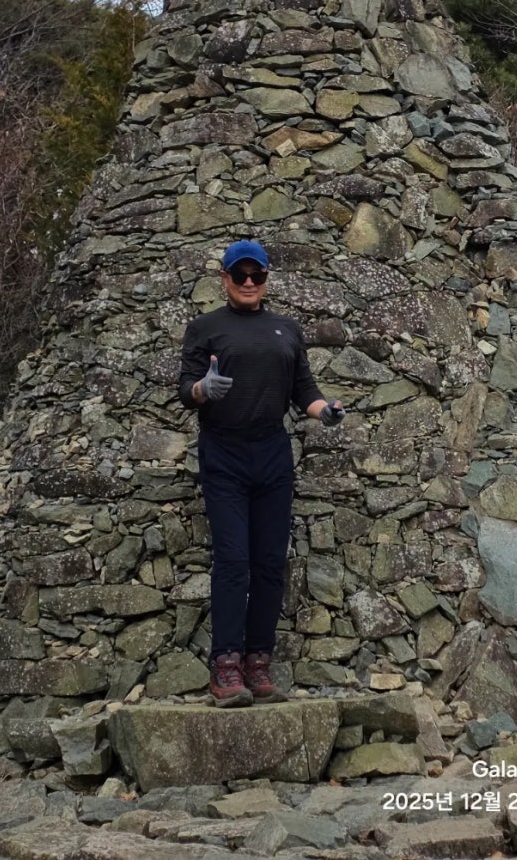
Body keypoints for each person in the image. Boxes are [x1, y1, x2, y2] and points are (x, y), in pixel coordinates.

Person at [178, 239, 345, 708]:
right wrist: (202, 389)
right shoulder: (205, 327)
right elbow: (183, 390)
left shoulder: (286, 329)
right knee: (234, 560)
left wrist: (323, 411)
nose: (249, 282)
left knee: (270, 563)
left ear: (268, 277)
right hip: (224, 453)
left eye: (258, 275)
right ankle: (226, 666)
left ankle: (259, 663)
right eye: (240, 274)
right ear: (224, 279)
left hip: (273, 451)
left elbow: (303, 389)